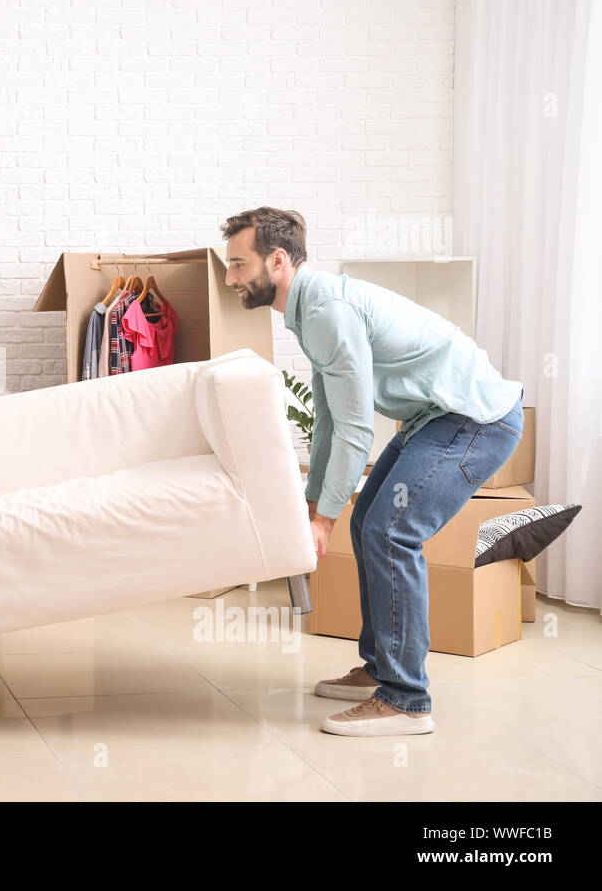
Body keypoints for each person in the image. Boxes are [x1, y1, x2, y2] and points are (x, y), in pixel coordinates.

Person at [220, 207, 524, 736]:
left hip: (474, 418)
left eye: (238, 265)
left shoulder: (327, 311)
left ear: (277, 260)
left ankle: (407, 701)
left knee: (390, 532)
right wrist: (317, 505)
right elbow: (331, 415)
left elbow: (358, 428)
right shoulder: (310, 307)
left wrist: (324, 520)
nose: (230, 278)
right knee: (370, 524)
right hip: (433, 418)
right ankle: (382, 669)